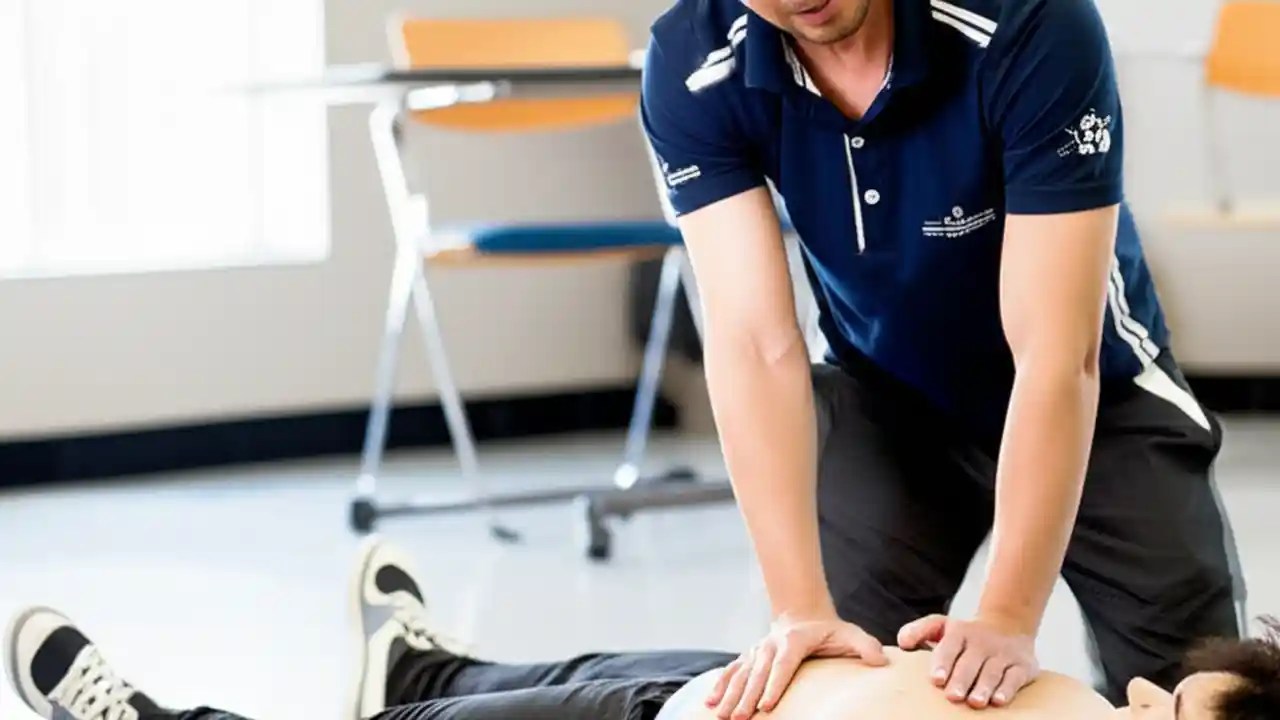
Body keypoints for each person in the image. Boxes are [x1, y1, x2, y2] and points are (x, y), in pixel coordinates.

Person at [639, 0, 1246, 714]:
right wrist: (797, 605)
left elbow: (1056, 352)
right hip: (888, 396)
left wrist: (1008, 617)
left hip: (1099, 393)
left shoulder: (1033, 21)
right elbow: (753, 344)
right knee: (840, 682)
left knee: (1193, 695)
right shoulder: (693, 62)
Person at [4, 539, 1275, 720]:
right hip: (733, 686)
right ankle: (418, 662)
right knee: (585, 661)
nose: (1148, 695)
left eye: (1173, 716)